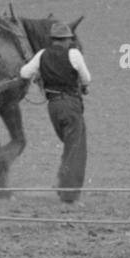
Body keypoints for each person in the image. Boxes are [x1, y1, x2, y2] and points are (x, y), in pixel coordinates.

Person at [19, 21, 90, 203]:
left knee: (70, 144)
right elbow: (86, 78)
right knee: (76, 147)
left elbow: (24, 73)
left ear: (53, 39)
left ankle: (62, 181)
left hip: (53, 107)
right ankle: (69, 195)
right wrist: (82, 84)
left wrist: (40, 73)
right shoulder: (74, 54)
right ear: (66, 39)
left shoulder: (41, 54)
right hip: (71, 104)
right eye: (69, 39)